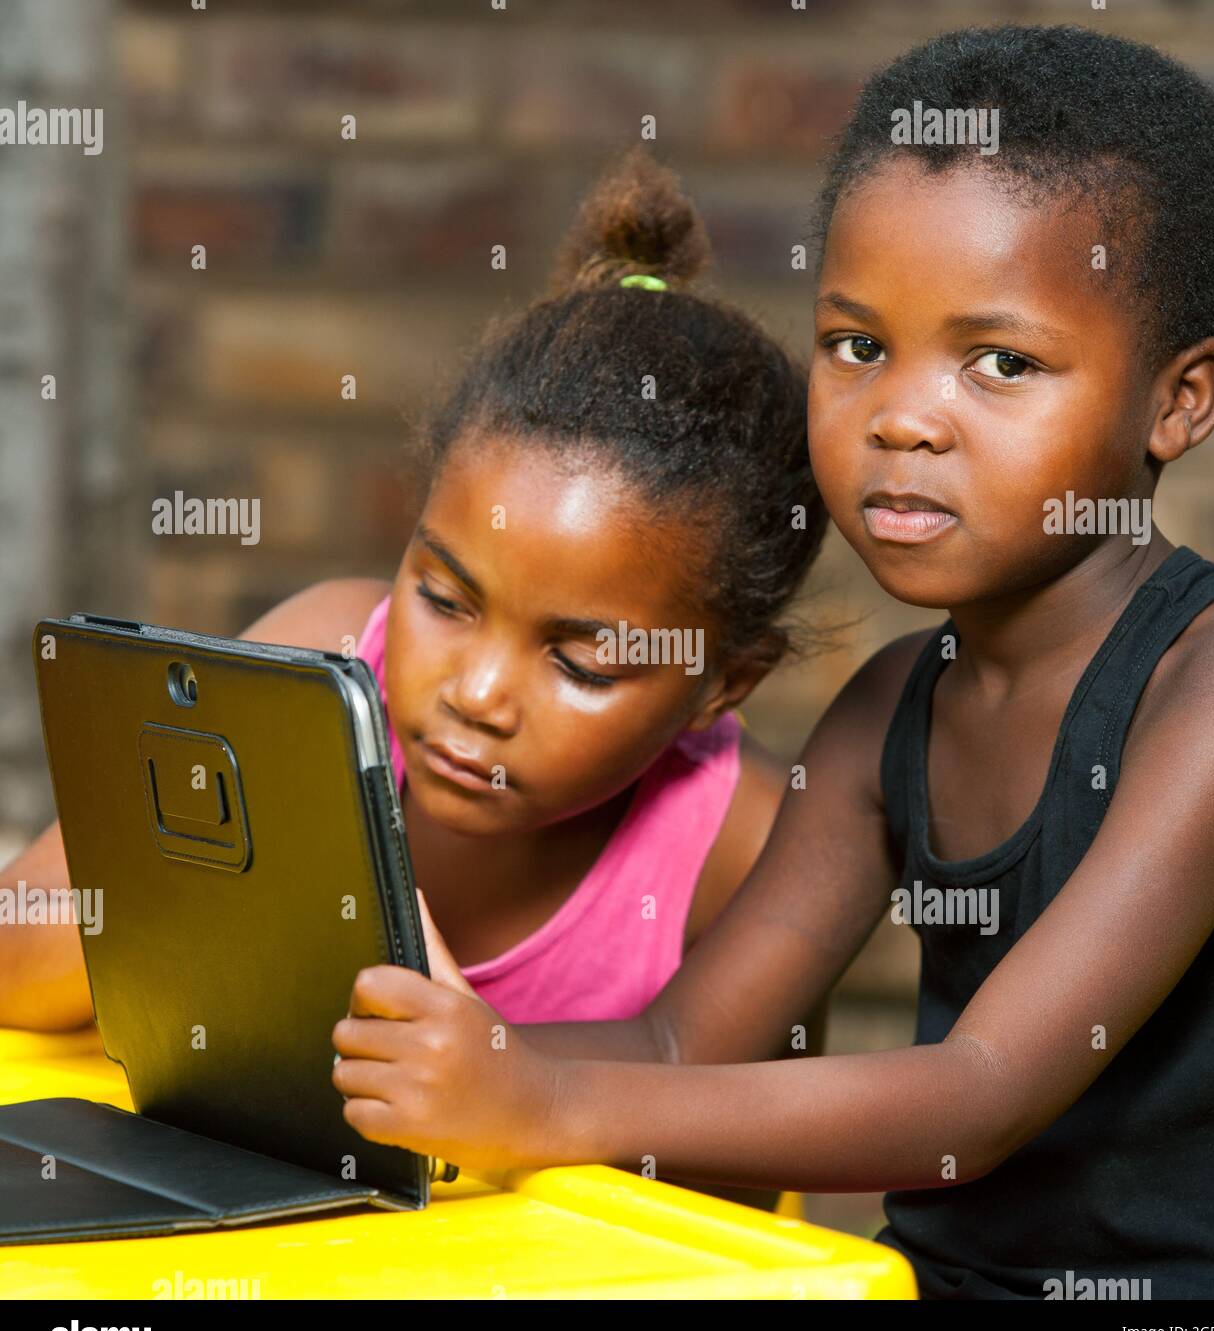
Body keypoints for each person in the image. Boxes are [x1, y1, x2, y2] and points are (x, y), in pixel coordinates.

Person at [334, 26, 1214, 1300]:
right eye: (856, 345)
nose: (900, 416)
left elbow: (980, 1094)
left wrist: (533, 1098)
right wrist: (420, 1062)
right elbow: (684, 1041)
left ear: (1179, 401)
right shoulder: (890, 707)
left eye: (1000, 363)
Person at [0, 151, 831, 1209]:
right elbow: (12, 955)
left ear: (723, 684)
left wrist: (460, 1054)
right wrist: (195, 908)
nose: (476, 691)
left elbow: (738, 1177)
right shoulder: (321, 666)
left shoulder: (746, 840)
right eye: (444, 599)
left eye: (579, 661)